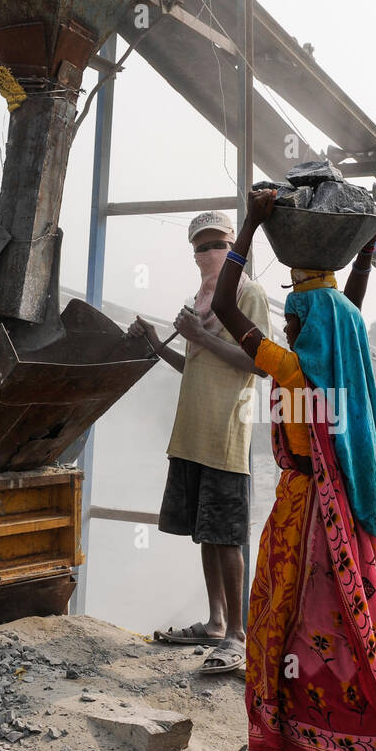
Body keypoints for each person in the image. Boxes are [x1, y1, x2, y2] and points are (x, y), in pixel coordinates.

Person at [208, 188, 376, 751]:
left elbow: (223, 304)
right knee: (354, 639)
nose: (290, 327)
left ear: (307, 325)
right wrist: (366, 251)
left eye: (295, 318)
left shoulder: (295, 368)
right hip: (343, 514)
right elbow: (345, 313)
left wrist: (248, 224)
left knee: (287, 631)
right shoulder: (333, 359)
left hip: (305, 518)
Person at [129, 210, 270, 676]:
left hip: (227, 430)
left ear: (232, 246)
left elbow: (259, 363)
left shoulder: (247, 294)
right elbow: (194, 367)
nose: (209, 253)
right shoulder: (201, 299)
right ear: (193, 253)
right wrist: (156, 341)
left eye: (217, 244)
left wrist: (197, 337)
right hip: (193, 430)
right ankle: (215, 622)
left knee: (227, 536)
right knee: (206, 531)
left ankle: (236, 634)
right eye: (201, 246)